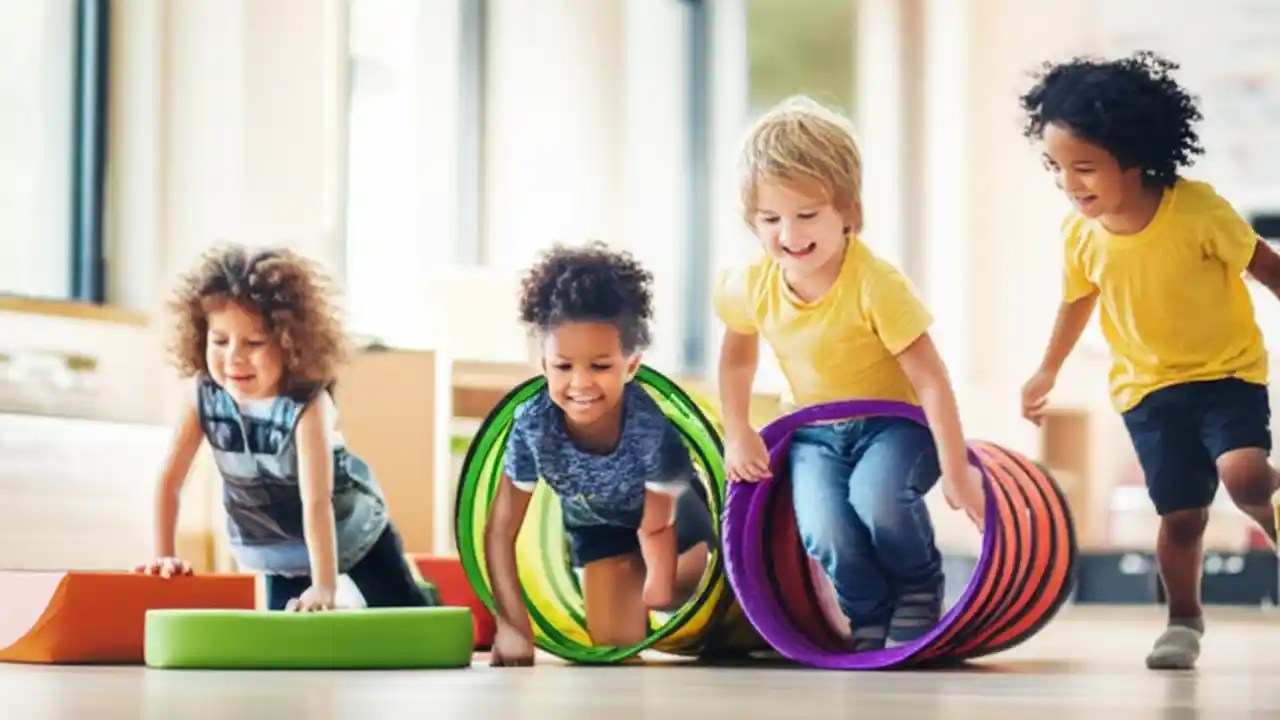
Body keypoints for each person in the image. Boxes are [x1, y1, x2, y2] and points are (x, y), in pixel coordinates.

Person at [1018, 50, 1280, 670]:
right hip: (1148, 393)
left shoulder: (1197, 211)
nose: (1069, 184)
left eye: (1084, 168)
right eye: (1057, 168)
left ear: (1133, 158)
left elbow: (1266, 266)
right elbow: (1076, 303)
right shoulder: (1080, 236)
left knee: (1245, 478)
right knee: (1181, 516)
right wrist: (1046, 369)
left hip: (1227, 374)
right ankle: (1183, 621)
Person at [713, 95, 986, 652]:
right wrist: (737, 427)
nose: (789, 233)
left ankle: (917, 588)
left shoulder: (876, 285)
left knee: (877, 500)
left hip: (897, 426)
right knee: (822, 525)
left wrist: (956, 470)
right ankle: (867, 608)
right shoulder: (750, 284)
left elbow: (932, 378)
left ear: (848, 212)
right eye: (770, 219)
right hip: (814, 431)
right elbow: (738, 356)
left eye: (807, 214)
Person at [135, 244, 428, 613]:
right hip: (277, 547)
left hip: (349, 530)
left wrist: (325, 586)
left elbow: (317, 501)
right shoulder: (202, 396)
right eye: (220, 341)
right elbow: (170, 480)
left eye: (254, 343)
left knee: (405, 613)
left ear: (290, 345)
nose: (234, 358)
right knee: (291, 636)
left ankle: (421, 595)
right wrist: (164, 556)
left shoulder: (307, 404)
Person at [485, 241, 717, 666]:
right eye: (563, 366)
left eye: (600, 366)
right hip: (601, 532)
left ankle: (691, 592)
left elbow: (657, 526)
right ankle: (629, 582)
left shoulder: (648, 427)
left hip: (672, 525)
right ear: (543, 363)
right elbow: (501, 530)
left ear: (631, 365)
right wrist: (513, 624)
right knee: (614, 650)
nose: (581, 384)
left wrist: (657, 587)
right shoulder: (533, 426)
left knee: (682, 591)